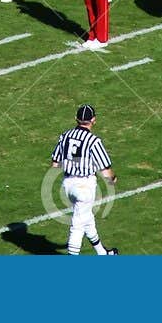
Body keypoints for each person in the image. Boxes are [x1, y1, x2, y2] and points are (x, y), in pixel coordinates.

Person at [50, 104, 118, 255]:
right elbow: (106, 170)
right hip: (85, 186)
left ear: (76, 119)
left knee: (86, 218)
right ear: (93, 120)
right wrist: (112, 179)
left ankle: (103, 253)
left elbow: (55, 164)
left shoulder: (65, 136)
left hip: (68, 185)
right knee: (77, 226)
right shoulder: (93, 141)